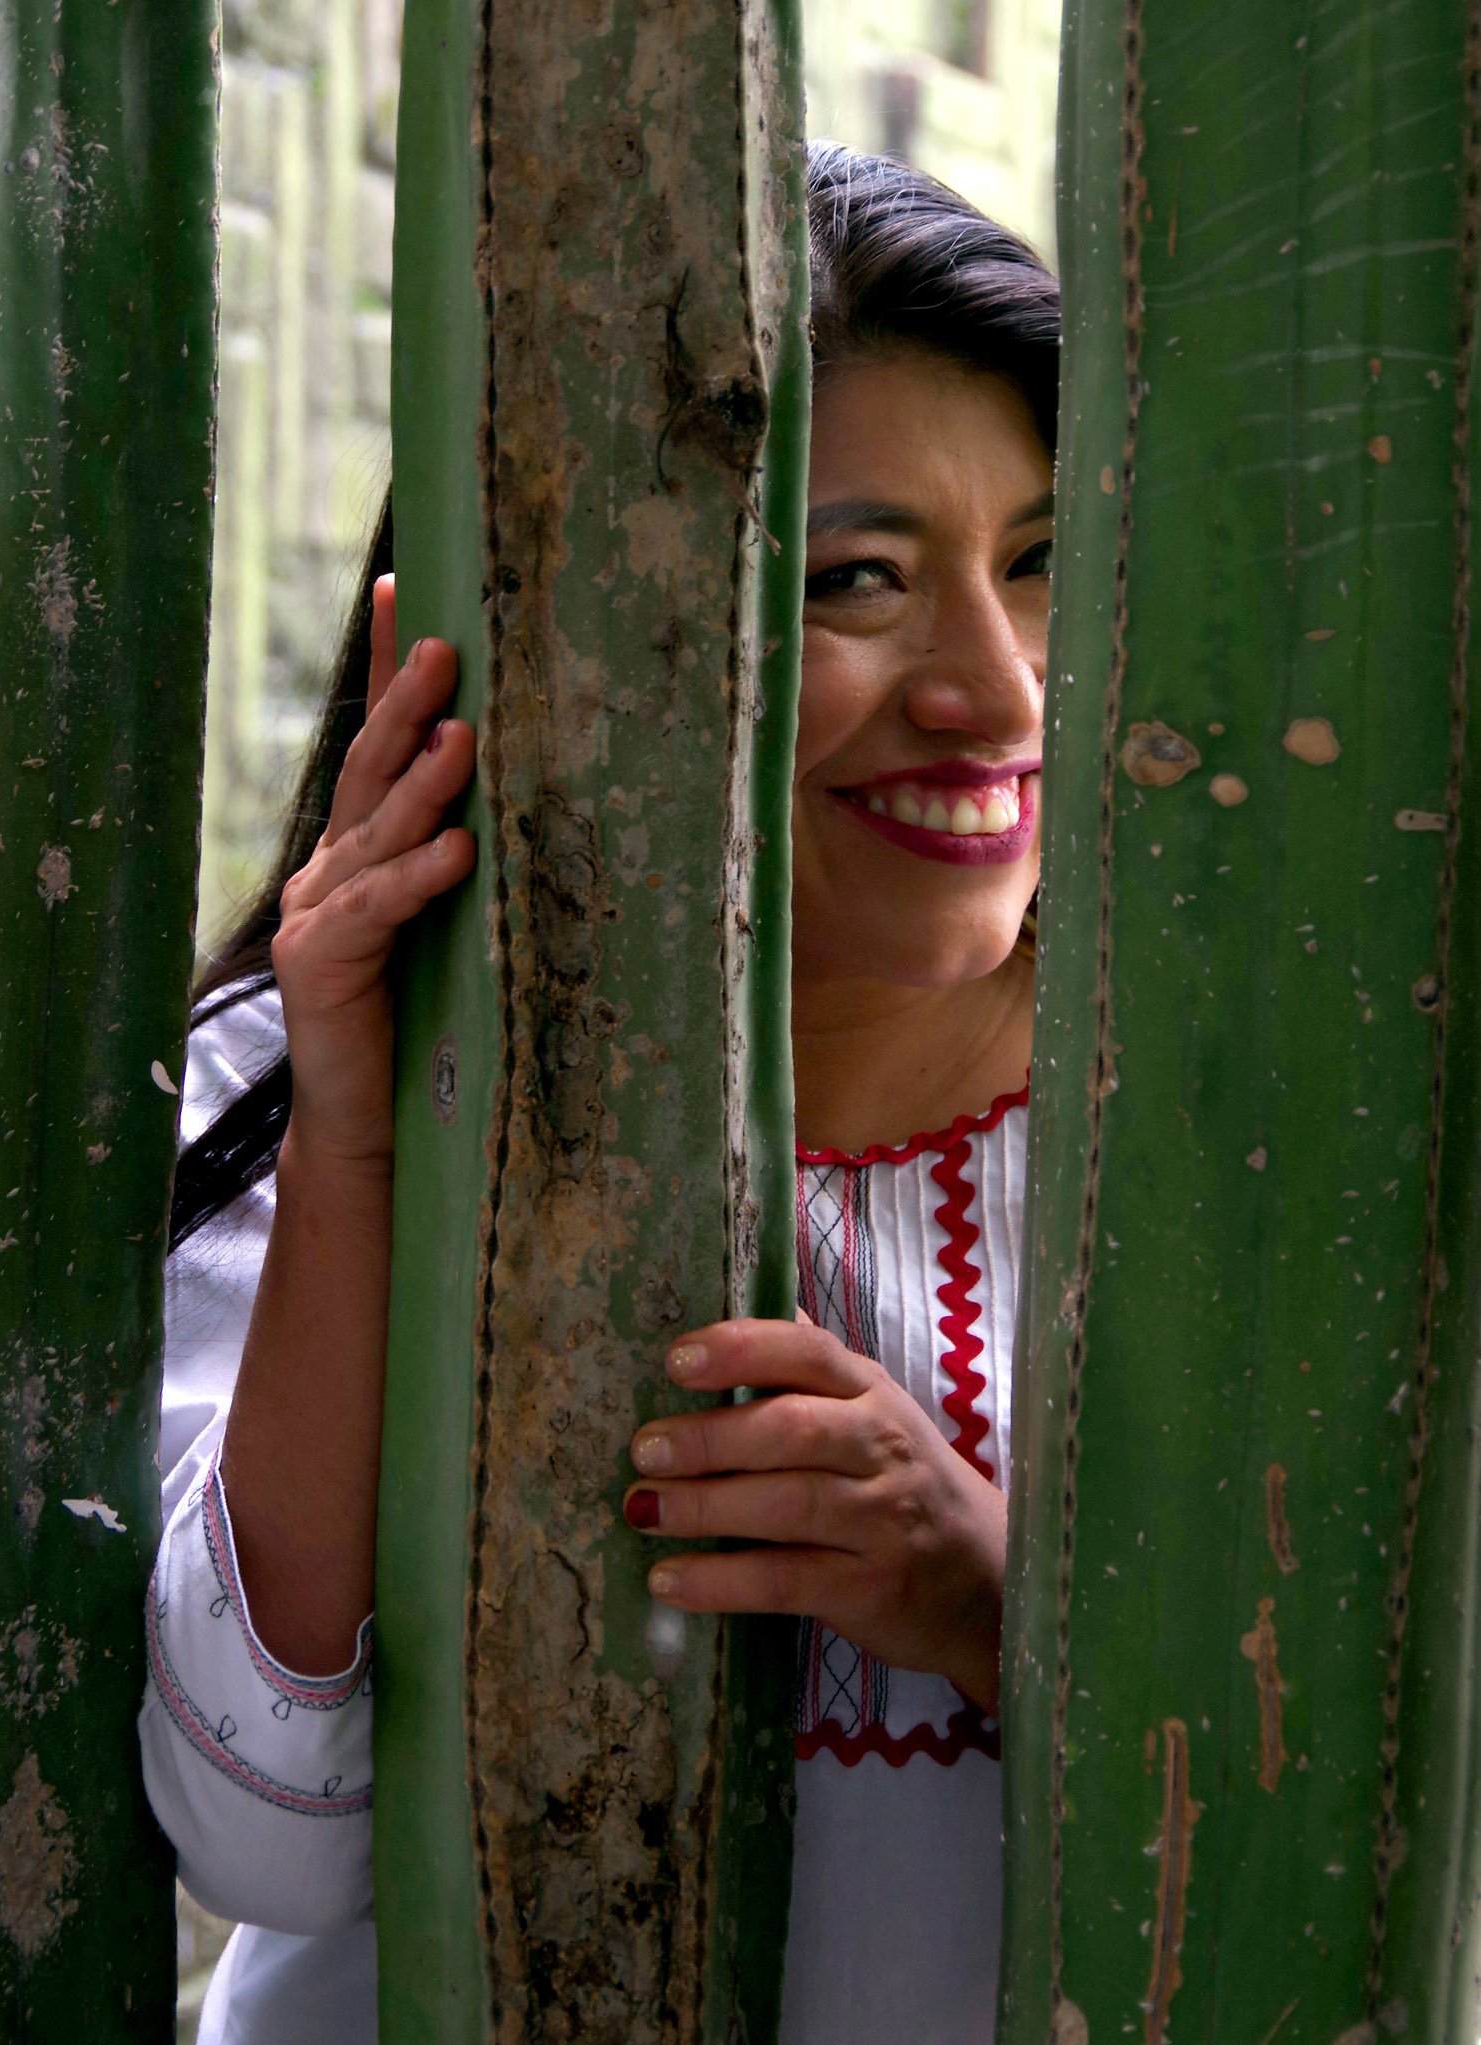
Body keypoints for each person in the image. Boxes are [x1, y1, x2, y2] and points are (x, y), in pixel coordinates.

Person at [141, 140, 1058, 2045]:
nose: (995, 690)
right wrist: (364, 1138)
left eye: (1045, 566)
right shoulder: (294, 1080)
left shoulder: (1262, 1134)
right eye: (860, 582)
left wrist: (989, 1596)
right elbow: (268, 1845)